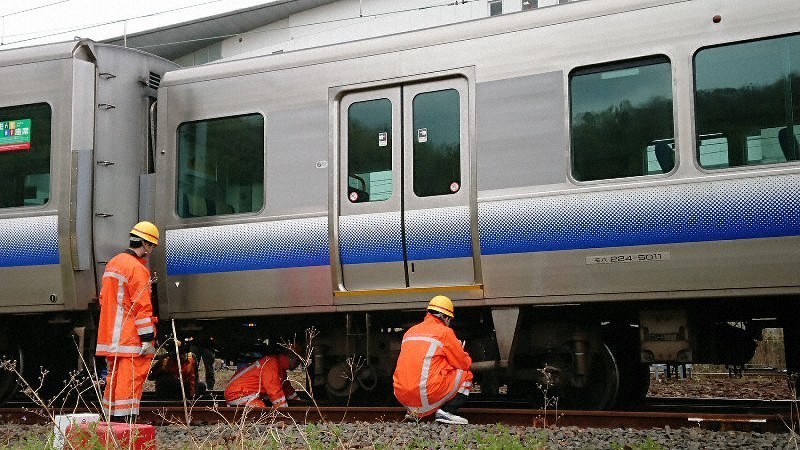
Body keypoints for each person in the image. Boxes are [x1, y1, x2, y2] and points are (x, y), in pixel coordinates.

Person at [95, 221, 160, 423]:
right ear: (145, 244)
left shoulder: (113, 263)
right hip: (129, 338)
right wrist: (147, 339)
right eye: (152, 246)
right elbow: (142, 306)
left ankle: (110, 421)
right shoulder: (137, 269)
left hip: (111, 337)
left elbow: (104, 299)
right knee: (129, 379)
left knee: (113, 379)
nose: (151, 251)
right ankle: (125, 423)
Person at [393, 295, 473, 425]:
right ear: (446, 318)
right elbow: (464, 363)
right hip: (425, 397)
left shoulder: (410, 331)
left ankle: (413, 412)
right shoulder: (445, 332)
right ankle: (447, 412)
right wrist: (460, 349)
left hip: (402, 396)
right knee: (465, 374)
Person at [224, 344, 304, 408]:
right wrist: (284, 412)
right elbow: (274, 391)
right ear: (291, 357)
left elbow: (287, 389)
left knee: (264, 409)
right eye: (298, 361)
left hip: (240, 393)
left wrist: (300, 403)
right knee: (262, 411)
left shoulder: (278, 367)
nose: (298, 364)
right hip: (237, 394)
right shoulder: (272, 365)